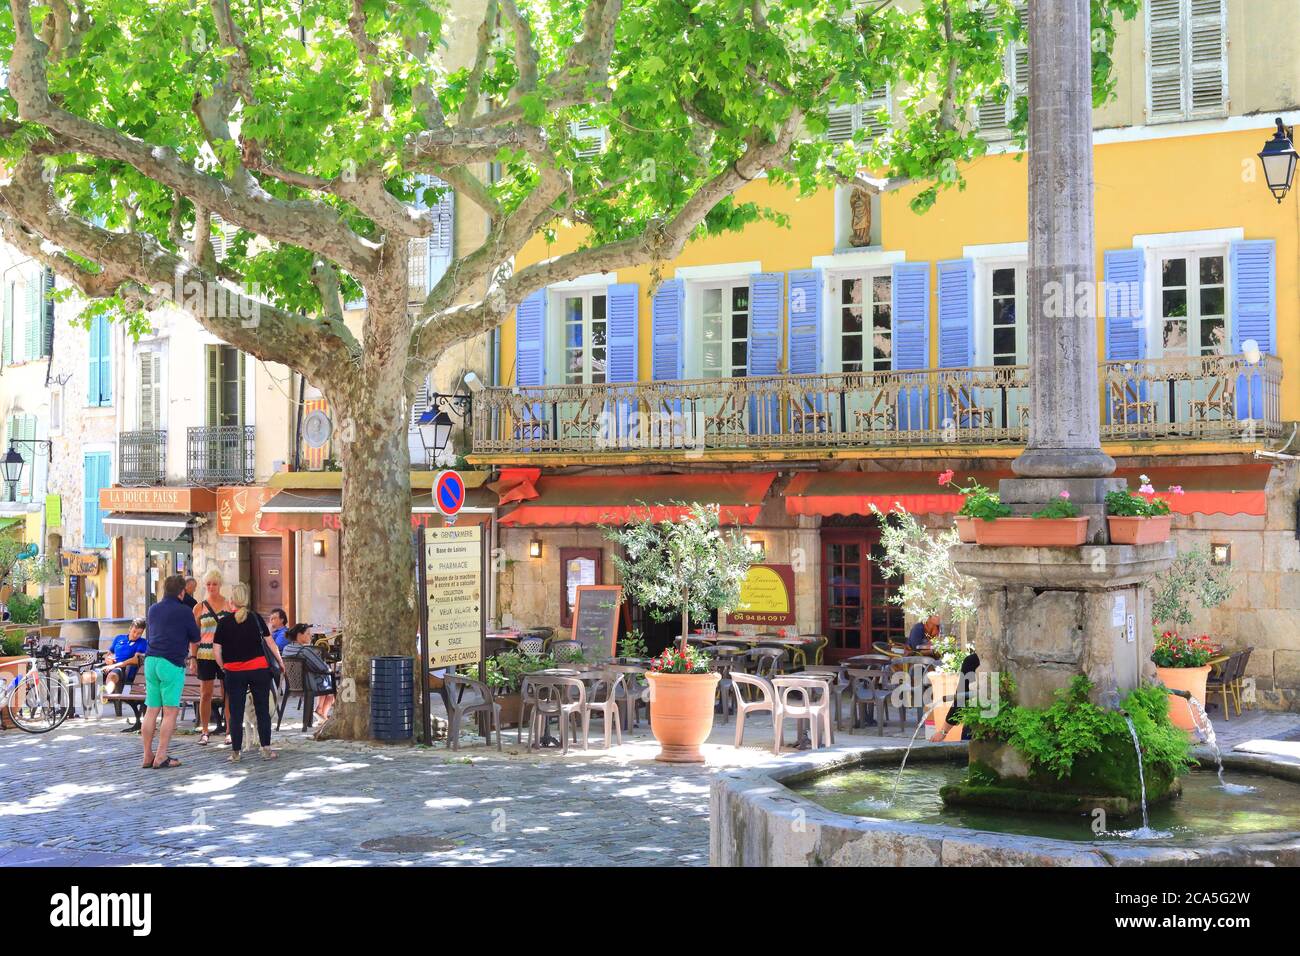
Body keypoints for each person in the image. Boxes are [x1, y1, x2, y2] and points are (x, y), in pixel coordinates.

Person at [213, 582, 284, 762]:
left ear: (231, 601)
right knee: (262, 710)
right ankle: (266, 749)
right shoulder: (256, 618)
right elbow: (271, 644)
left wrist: (223, 666)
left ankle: (236, 752)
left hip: (234, 672)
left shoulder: (223, 623)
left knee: (236, 712)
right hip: (259, 670)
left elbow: (217, 651)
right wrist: (280, 662)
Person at [141, 575, 200, 769]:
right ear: (182, 592)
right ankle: (161, 755)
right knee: (170, 711)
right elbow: (195, 637)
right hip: (171, 662)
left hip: (151, 661)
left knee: (151, 710)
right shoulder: (184, 611)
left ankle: (147, 755)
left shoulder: (153, 609)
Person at [193, 569, 235, 745]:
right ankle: (204, 731)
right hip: (205, 654)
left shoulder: (229, 605)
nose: (211, 587)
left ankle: (229, 730)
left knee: (228, 693)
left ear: (220, 585)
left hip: (226, 654)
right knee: (206, 693)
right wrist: (192, 658)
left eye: (214, 584)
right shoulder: (199, 607)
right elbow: (194, 635)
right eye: (208, 584)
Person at [281, 624, 336, 723]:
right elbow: (322, 667)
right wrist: (330, 670)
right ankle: (322, 713)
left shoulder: (286, 649)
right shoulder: (305, 651)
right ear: (299, 635)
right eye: (308, 633)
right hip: (308, 685)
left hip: (293, 685)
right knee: (330, 685)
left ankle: (320, 712)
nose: (310, 636)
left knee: (324, 680)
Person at [931, 652, 981, 742]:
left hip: (978, 724)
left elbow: (961, 700)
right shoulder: (973, 661)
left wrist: (943, 731)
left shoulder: (972, 661)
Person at [102, 618, 148, 698]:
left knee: (112, 675)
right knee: (90, 675)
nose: (136, 635)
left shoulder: (142, 642)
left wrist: (114, 666)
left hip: (125, 670)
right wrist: (107, 658)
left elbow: (135, 660)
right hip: (111, 666)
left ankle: (106, 696)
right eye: (134, 631)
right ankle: (91, 700)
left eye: (139, 633)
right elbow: (109, 653)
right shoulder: (118, 638)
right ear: (130, 628)